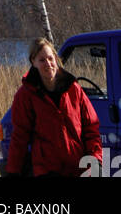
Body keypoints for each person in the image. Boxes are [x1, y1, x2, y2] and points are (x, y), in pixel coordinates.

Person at [6, 37, 101, 177]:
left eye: (50, 58)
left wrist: (96, 161)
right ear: (33, 62)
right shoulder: (26, 95)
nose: (48, 64)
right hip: (46, 170)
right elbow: (19, 136)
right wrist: (13, 171)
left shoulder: (73, 89)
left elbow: (91, 127)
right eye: (42, 60)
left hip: (77, 169)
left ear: (56, 58)